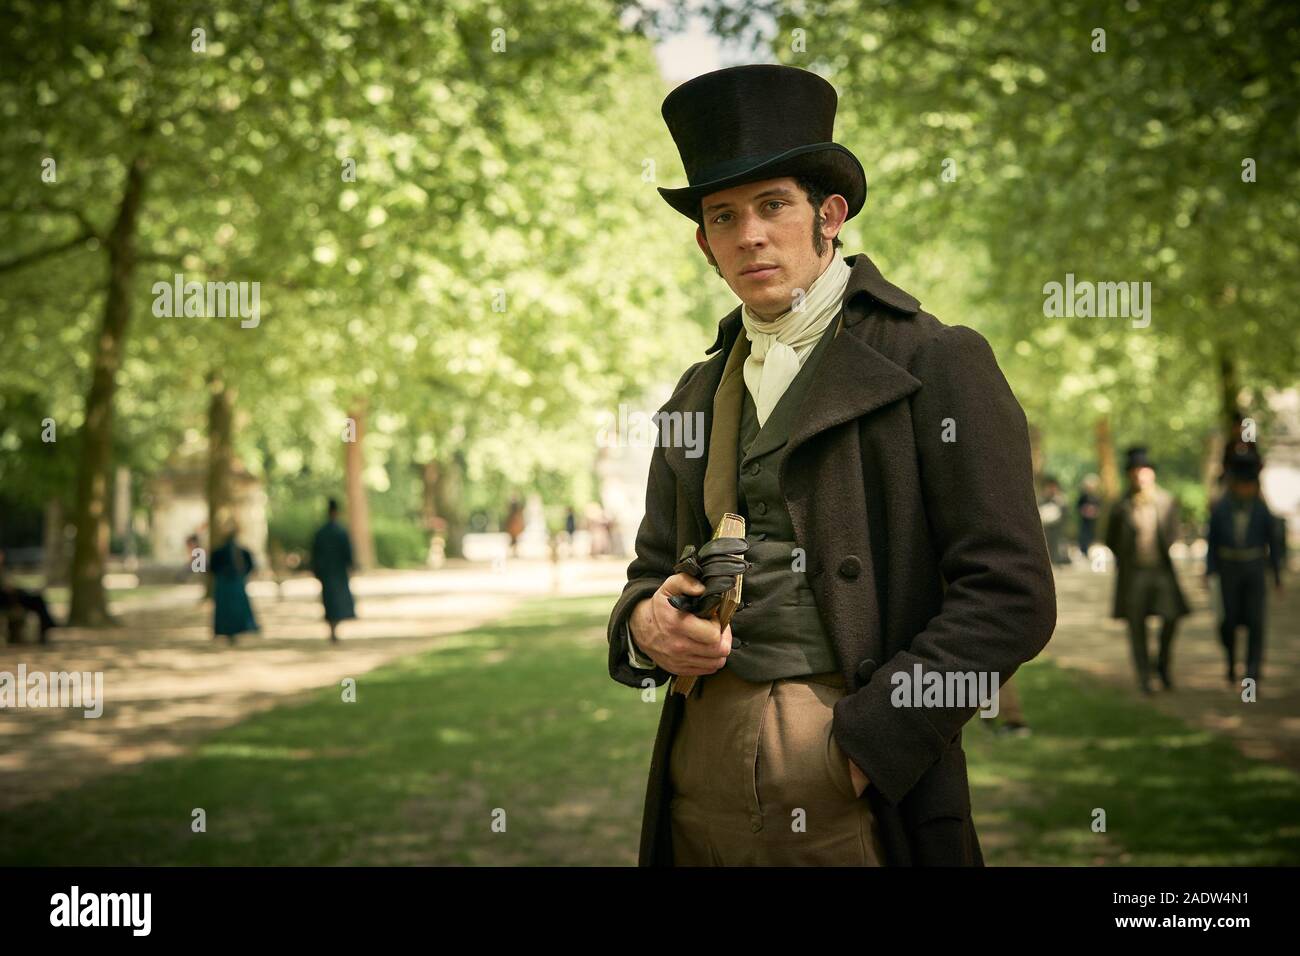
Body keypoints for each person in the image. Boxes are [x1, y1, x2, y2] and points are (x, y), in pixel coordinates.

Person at [605, 65, 1056, 867]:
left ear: (830, 215)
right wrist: (645, 625)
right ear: (704, 244)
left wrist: (871, 741)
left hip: (853, 765)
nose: (750, 235)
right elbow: (648, 567)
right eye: (723, 216)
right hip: (695, 759)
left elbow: (1010, 597)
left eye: (774, 205)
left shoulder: (937, 360)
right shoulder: (694, 390)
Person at [1104, 446, 1189, 693]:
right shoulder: (1120, 505)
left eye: (1145, 470)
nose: (1140, 475)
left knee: (1172, 617)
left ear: (1152, 473)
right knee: (1136, 624)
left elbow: (1173, 533)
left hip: (1161, 570)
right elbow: (1111, 539)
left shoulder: (1166, 501)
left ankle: (1162, 665)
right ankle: (1144, 677)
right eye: (1135, 471)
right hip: (1133, 573)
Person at [1206, 450, 1283, 686]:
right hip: (1229, 568)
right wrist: (1210, 570)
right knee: (1228, 620)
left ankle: (1252, 671)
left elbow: (1274, 543)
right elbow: (1212, 541)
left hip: (1254, 569)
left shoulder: (1261, 510)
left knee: (1255, 621)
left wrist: (1277, 575)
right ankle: (1231, 662)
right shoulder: (1221, 509)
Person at [311, 498, 356, 643]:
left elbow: (315, 553)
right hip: (337, 571)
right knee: (337, 600)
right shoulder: (340, 531)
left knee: (330, 601)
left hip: (326, 571)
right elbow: (347, 552)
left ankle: (332, 628)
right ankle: (334, 628)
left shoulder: (321, 532)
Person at [210, 522, 259, 644]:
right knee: (227, 608)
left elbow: (249, 566)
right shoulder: (220, 552)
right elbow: (212, 567)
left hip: (235, 582)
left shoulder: (241, 551)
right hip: (227, 583)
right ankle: (228, 630)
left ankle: (238, 628)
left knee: (236, 608)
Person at [0, 547, 59, 644]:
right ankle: (48, 624)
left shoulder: (3, 570)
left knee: (37, 598)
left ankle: (46, 626)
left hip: (13, 597)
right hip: (8, 599)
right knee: (37, 600)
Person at [1038, 476, 1070, 565]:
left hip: (1057, 526)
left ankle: (1056, 559)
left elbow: (1065, 513)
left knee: (1057, 543)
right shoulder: (1041, 497)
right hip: (1045, 527)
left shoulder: (1061, 498)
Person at [1076, 474, 1102, 560]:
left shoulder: (1097, 497)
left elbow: (1099, 508)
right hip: (1084, 520)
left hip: (1092, 520)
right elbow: (1078, 507)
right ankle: (1083, 550)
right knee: (1084, 535)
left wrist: (1094, 512)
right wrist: (1084, 510)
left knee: (1091, 535)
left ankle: (1088, 550)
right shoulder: (1083, 496)